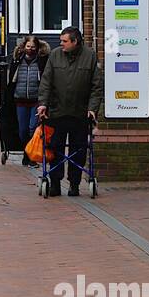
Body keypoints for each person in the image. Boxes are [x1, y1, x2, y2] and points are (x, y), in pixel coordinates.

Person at [37, 26, 103, 197]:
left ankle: (74, 183)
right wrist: (43, 103)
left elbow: (97, 87)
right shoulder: (55, 55)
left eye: (64, 41)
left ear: (75, 42)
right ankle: (55, 183)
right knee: (55, 148)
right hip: (57, 111)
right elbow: (46, 81)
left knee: (78, 149)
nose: (61, 44)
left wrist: (92, 109)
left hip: (80, 113)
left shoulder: (90, 56)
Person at [11, 36, 48, 166]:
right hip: (20, 99)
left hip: (36, 100)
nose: (30, 49)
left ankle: (30, 157)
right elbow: (11, 79)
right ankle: (26, 152)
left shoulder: (41, 62)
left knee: (33, 128)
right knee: (22, 130)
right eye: (28, 46)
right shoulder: (17, 60)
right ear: (24, 46)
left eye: (33, 47)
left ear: (37, 48)